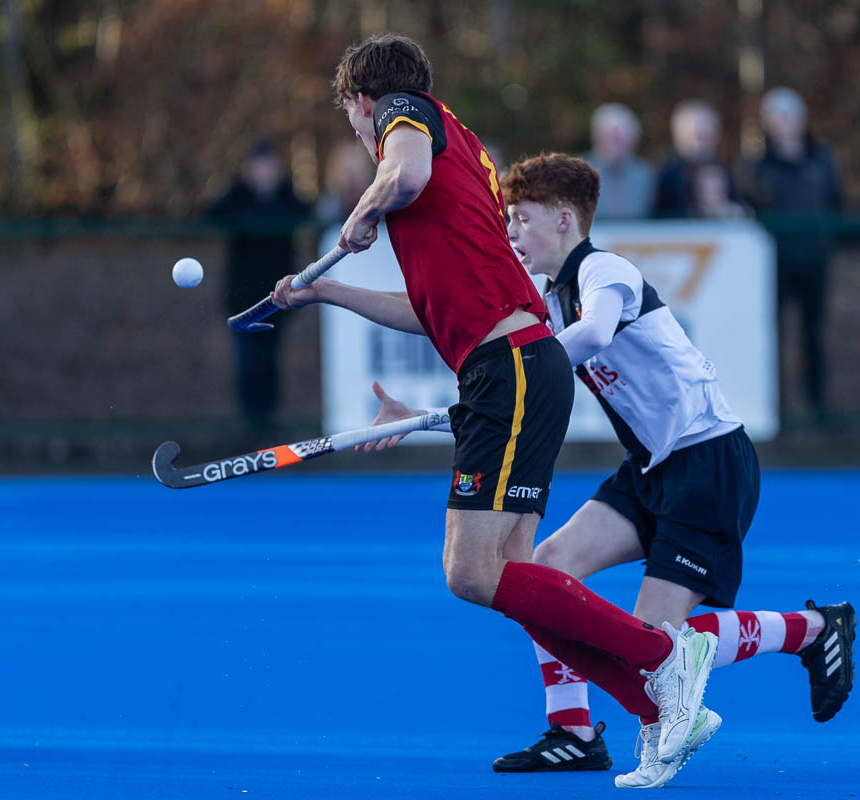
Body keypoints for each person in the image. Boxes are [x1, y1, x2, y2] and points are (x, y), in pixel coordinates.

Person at [270, 34, 720, 781]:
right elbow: (429, 308)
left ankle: (666, 654)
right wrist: (326, 290)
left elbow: (402, 172)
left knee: (469, 572)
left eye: (355, 119)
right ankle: (655, 706)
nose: (361, 133)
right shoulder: (455, 150)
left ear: (362, 101)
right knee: (516, 582)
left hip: (508, 368)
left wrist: (366, 206)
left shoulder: (406, 119)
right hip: (517, 365)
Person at [364, 153, 856, 789]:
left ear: (565, 219)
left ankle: (815, 629)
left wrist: (516, 374)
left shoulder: (604, 271)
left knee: (650, 643)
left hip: (708, 464)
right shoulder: (545, 297)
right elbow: (503, 382)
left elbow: (589, 338)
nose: (511, 233)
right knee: (537, 575)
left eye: (522, 219)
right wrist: (423, 416)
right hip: (648, 469)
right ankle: (573, 733)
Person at [750, 87, 843, 420]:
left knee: (814, 332)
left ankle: (817, 405)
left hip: (815, 260)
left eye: (791, 115)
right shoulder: (759, 165)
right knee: (771, 333)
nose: (786, 123)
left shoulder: (822, 159)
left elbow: (836, 202)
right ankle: (775, 408)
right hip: (774, 264)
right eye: (778, 117)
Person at [208, 140, 311, 427]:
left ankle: (268, 424)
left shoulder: (288, 196)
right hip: (242, 300)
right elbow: (212, 213)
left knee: (269, 362)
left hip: (278, 300)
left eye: (270, 165)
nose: (265, 171)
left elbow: (306, 213)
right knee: (247, 363)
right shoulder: (237, 195)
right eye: (259, 165)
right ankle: (250, 424)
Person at [654, 100, 743, 219]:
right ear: (678, 135)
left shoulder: (728, 171)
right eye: (696, 135)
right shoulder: (665, 175)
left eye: (706, 135)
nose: (699, 142)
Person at [578, 103, 656, 219]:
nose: (614, 142)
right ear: (596, 136)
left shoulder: (648, 175)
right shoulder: (576, 172)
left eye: (620, 137)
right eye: (608, 135)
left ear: (634, 140)